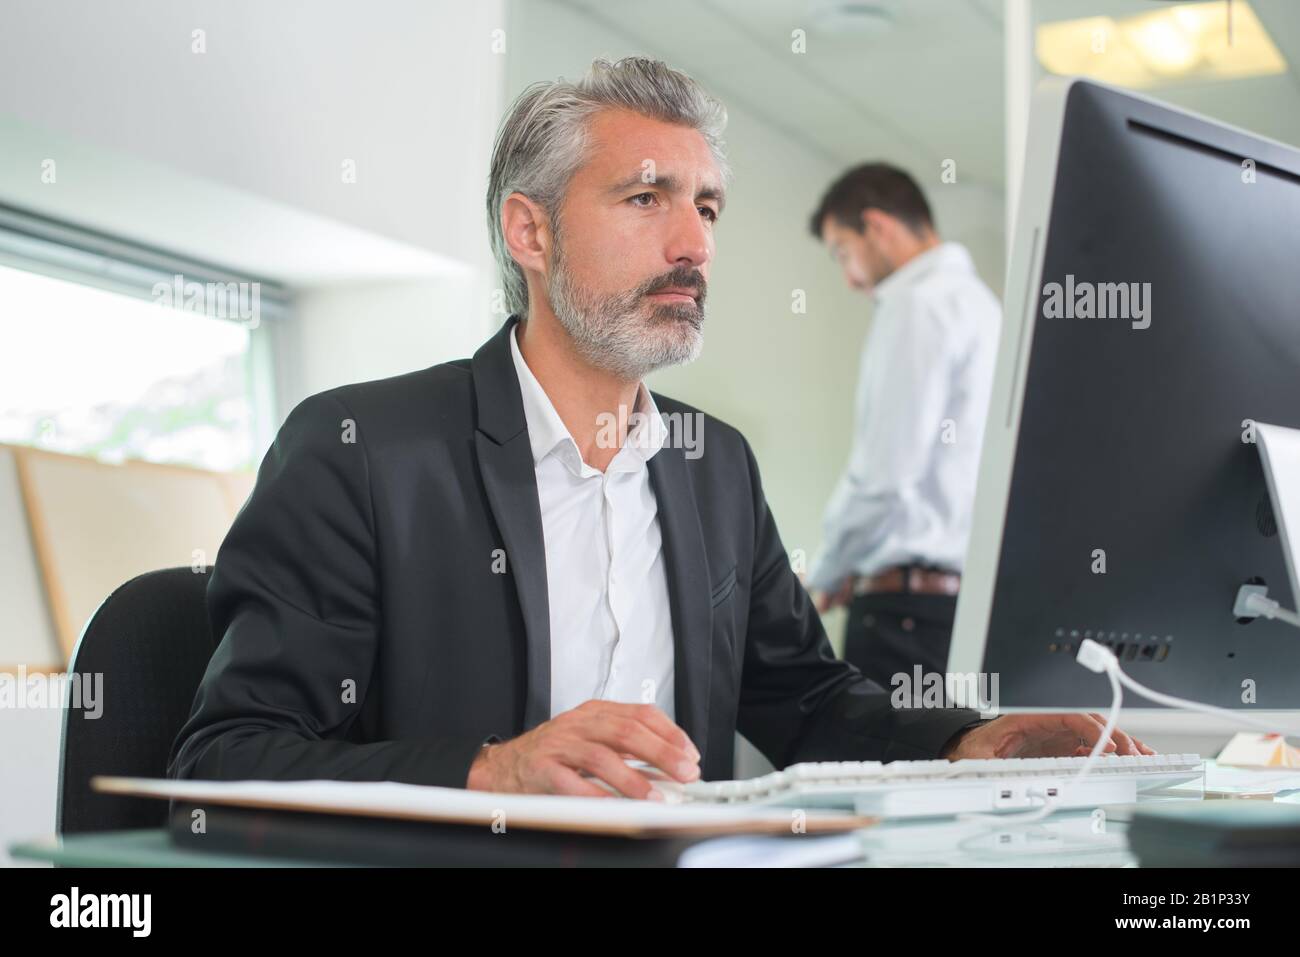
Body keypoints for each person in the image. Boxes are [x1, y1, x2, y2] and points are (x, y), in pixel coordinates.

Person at [169, 57, 1150, 800]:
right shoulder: (363, 451)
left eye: (707, 208)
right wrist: (491, 771)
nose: (693, 246)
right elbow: (229, 757)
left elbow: (803, 698)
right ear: (531, 233)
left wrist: (962, 742)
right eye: (646, 200)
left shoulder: (713, 464)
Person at [807, 164, 1001, 691]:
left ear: (877, 226)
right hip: (963, 612)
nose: (849, 278)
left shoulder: (914, 304)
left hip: (903, 619)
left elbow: (886, 475)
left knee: (883, 773)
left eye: (842, 251)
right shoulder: (984, 307)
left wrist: (822, 573)